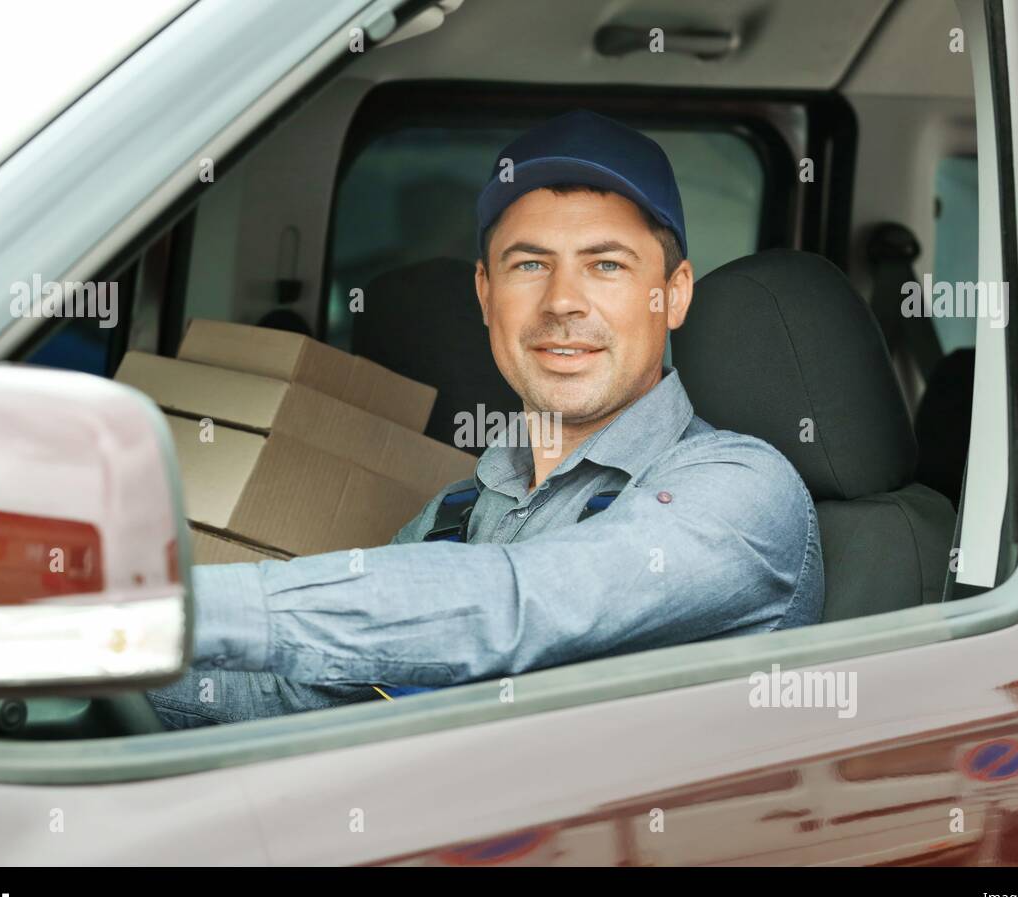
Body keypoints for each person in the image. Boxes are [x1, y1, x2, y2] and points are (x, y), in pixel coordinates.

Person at [147, 109, 823, 729]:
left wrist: (156, 615)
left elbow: (516, 607)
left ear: (673, 296)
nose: (562, 302)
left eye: (606, 265)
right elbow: (300, 696)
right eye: (530, 264)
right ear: (484, 293)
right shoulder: (455, 512)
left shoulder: (742, 490)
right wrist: (88, 683)